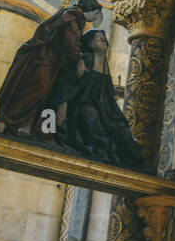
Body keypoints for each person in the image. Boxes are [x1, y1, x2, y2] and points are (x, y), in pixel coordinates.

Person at [0, 0, 103, 138]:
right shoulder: (72, 17)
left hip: (47, 60)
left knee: (40, 92)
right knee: (35, 90)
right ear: (90, 9)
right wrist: (79, 59)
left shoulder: (72, 16)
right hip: (43, 59)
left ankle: (25, 126)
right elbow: (68, 42)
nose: (94, 18)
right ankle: (8, 122)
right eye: (96, 14)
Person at [50, 28, 145, 169]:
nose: (104, 41)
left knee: (122, 128)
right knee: (91, 117)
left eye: (104, 38)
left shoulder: (104, 63)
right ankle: (105, 155)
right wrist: (62, 104)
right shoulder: (87, 60)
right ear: (90, 44)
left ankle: (133, 162)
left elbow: (107, 91)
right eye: (99, 39)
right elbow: (65, 82)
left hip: (105, 107)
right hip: (84, 105)